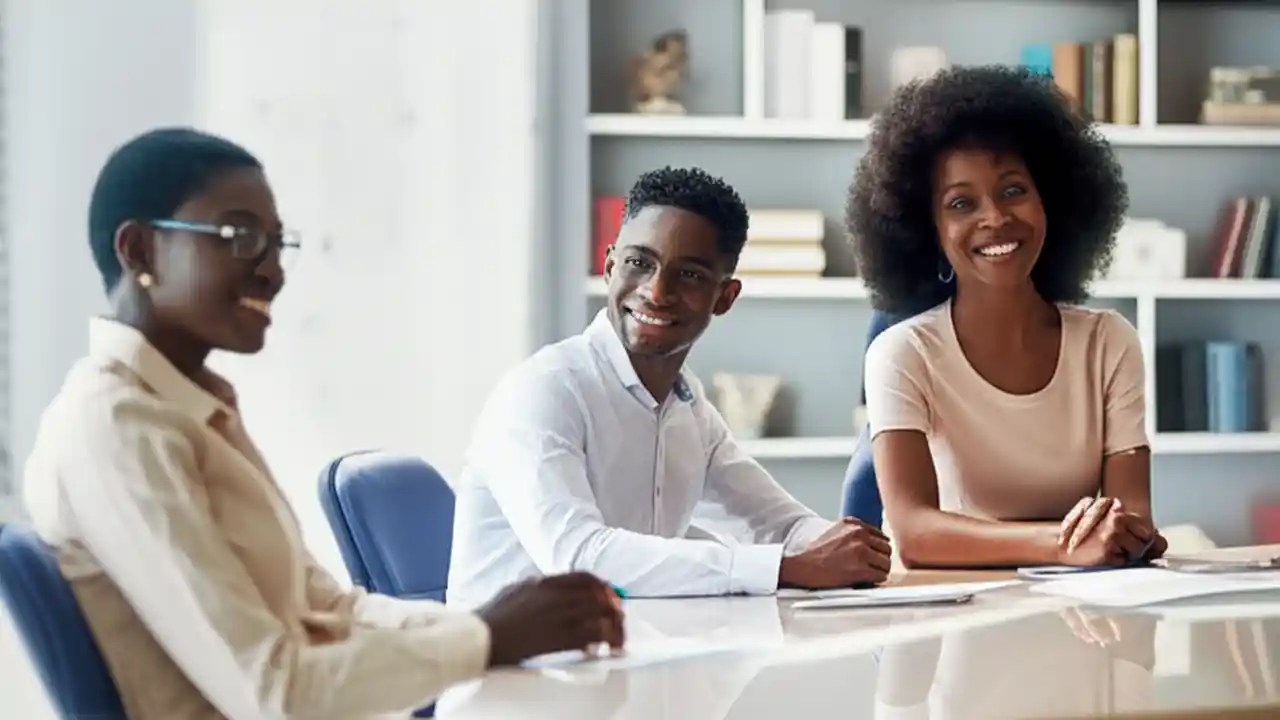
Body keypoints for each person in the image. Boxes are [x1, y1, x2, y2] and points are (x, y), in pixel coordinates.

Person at [21, 127, 624, 719]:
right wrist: (487, 639)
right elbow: (275, 694)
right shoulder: (118, 427)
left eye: (277, 243)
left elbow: (328, 609)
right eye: (239, 236)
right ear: (140, 251)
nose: (272, 270)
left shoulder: (190, 412)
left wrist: (495, 626)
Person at [447, 166, 892, 609]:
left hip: (623, 661)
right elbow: (579, 556)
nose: (657, 292)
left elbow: (780, 524)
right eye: (640, 263)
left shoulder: (688, 408)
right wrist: (788, 567)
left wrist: (851, 552)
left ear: (725, 298)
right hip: (514, 671)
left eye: (690, 275)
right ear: (608, 267)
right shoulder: (544, 391)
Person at [849, 65, 1168, 569]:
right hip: (950, 620)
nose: (994, 217)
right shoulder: (902, 353)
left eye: (1014, 190)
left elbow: (1132, 516)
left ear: (1052, 203)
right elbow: (914, 532)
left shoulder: (1109, 342)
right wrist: (1065, 543)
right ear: (926, 228)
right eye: (961, 202)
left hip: (1081, 618)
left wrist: (1130, 536)